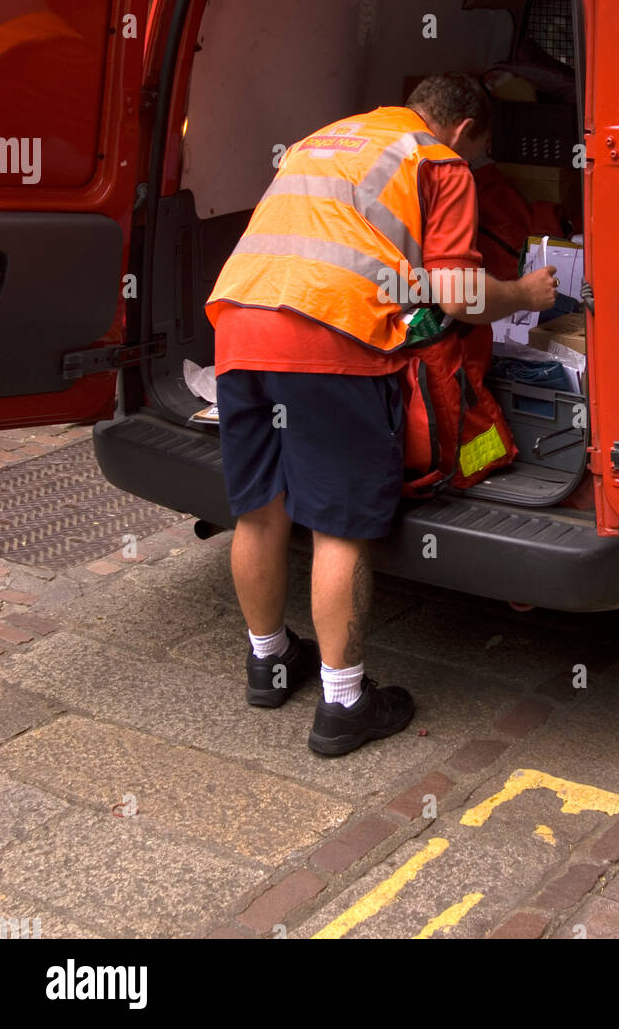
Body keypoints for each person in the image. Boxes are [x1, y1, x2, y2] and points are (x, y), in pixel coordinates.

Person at [204, 72, 557, 757]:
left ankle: (269, 664)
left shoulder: (325, 138)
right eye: (477, 152)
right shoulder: (439, 160)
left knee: (259, 509)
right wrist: (523, 292)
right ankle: (344, 705)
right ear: (463, 131)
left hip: (238, 326)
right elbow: (458, 296)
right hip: (329, 334)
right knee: (339, 527)